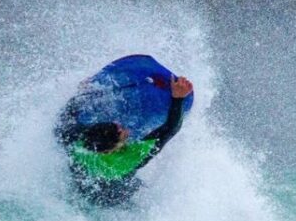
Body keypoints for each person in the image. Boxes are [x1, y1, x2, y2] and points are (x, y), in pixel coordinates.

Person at [55, 54, 194, 207]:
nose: (124, 128)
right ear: (112, 150)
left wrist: (85, 89)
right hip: (111, 194)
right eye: (121, 132)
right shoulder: (131, 158)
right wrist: (178, 99)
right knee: (135, 189)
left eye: (117, 125)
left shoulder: (72, 135)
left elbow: (70, 109)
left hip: (83, 177)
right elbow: (170, 129)